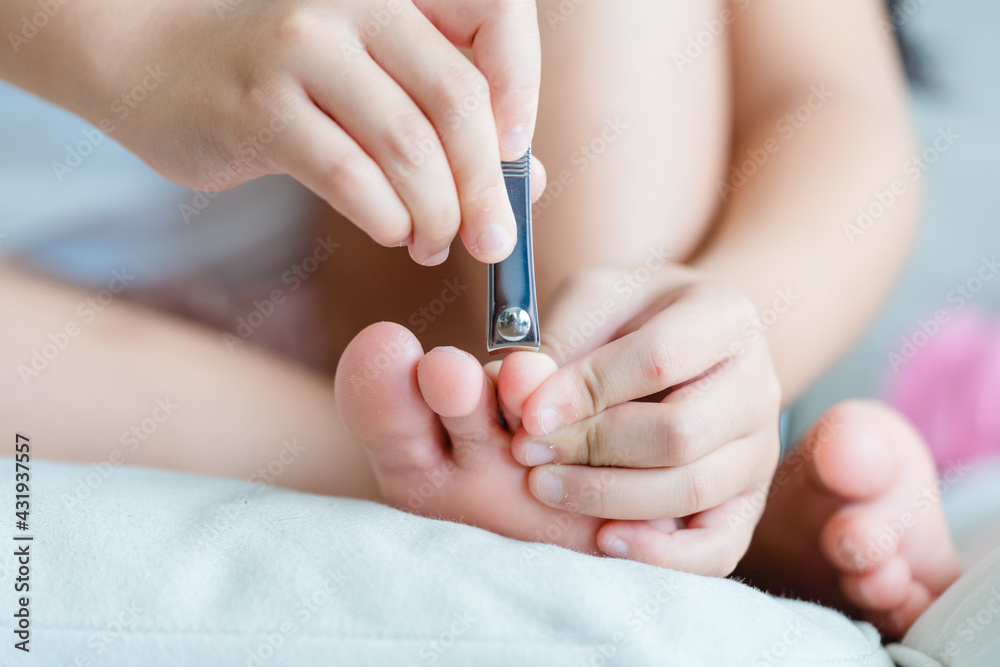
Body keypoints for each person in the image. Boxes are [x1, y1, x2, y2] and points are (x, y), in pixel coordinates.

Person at [0, 0, 957, 637]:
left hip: (446, 300)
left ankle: (619, 440)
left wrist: (722, 330)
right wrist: (123, 47)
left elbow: (829, 102)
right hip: (77, 329)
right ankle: (593, 509)